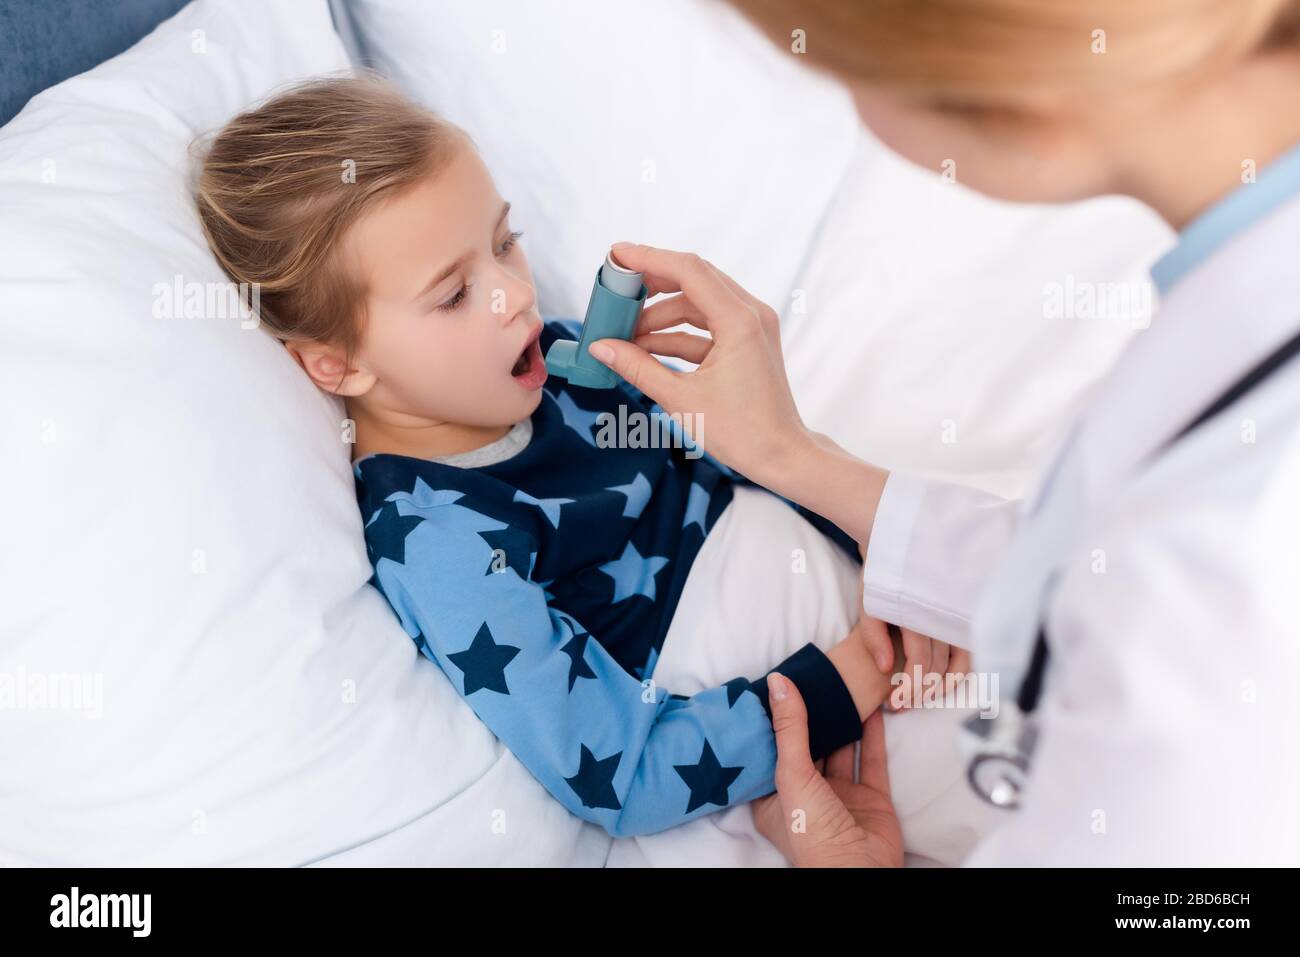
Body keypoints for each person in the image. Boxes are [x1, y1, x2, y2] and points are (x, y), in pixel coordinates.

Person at [588, 0, 1300, 865]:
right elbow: (1089, 561)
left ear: (1001, 77)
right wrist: (789, 454)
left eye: (848, 72)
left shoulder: (1223, 553)